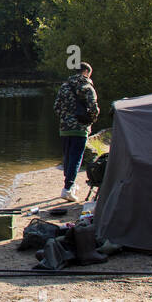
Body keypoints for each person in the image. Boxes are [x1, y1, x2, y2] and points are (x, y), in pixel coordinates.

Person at [53, 63, 99, 202]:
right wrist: (89, 121)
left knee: (68, 157)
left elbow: (56, 107)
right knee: (76, 158)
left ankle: (70, 185)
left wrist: (66, 118)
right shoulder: (87, 87)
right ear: (86, 72)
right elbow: (94, 108)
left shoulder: (64, 87)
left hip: (64, 128)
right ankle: (67, 189)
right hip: (80, 128)